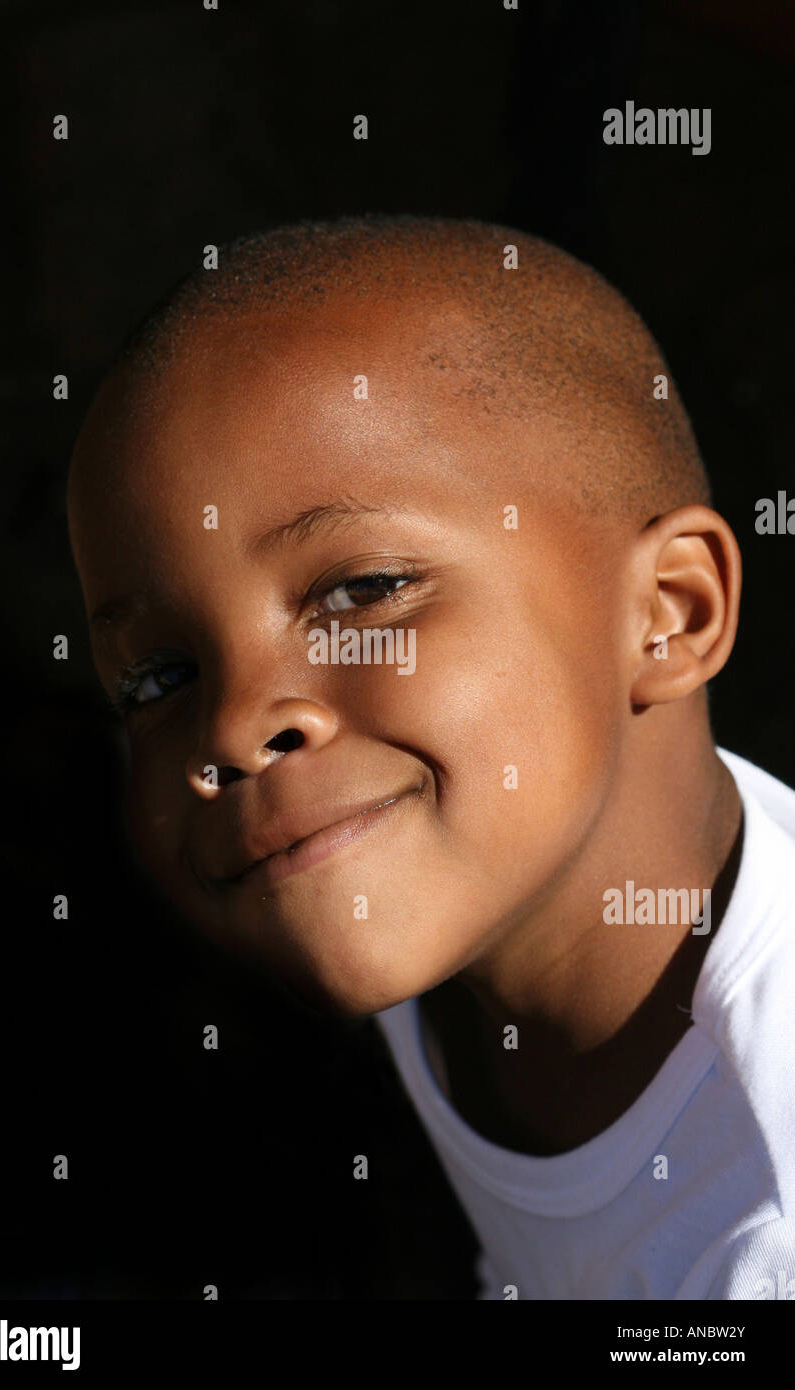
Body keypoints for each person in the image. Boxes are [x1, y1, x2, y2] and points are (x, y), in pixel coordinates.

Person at [67, 215, 795, 1300]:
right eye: (159, 678)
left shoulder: (760, 1234)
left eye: (361, 591)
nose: (228, 727)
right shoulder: (436, 895)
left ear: (667, 612)